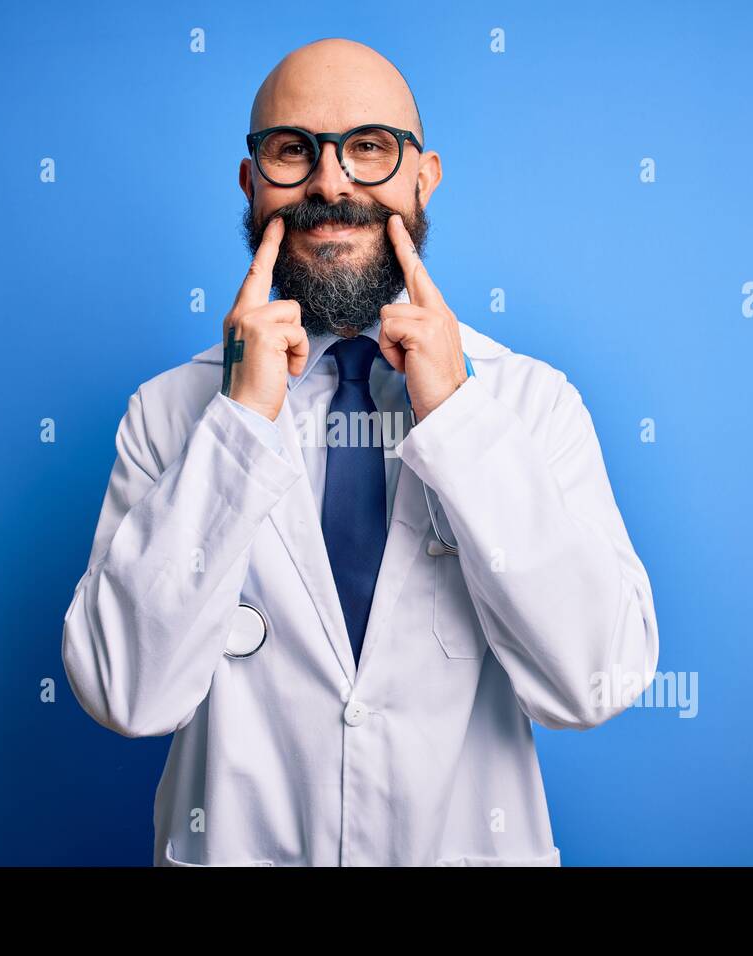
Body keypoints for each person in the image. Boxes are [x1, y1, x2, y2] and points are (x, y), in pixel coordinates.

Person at [62, 37, 659, 866]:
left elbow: (595, 681)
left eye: (369, 148)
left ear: (424, 177)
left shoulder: (529, 403)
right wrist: (237, 424)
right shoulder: (171, 413)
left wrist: (457, 418)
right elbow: (125, 692)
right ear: (251, 182)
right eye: (292, 150)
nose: (331, 182)